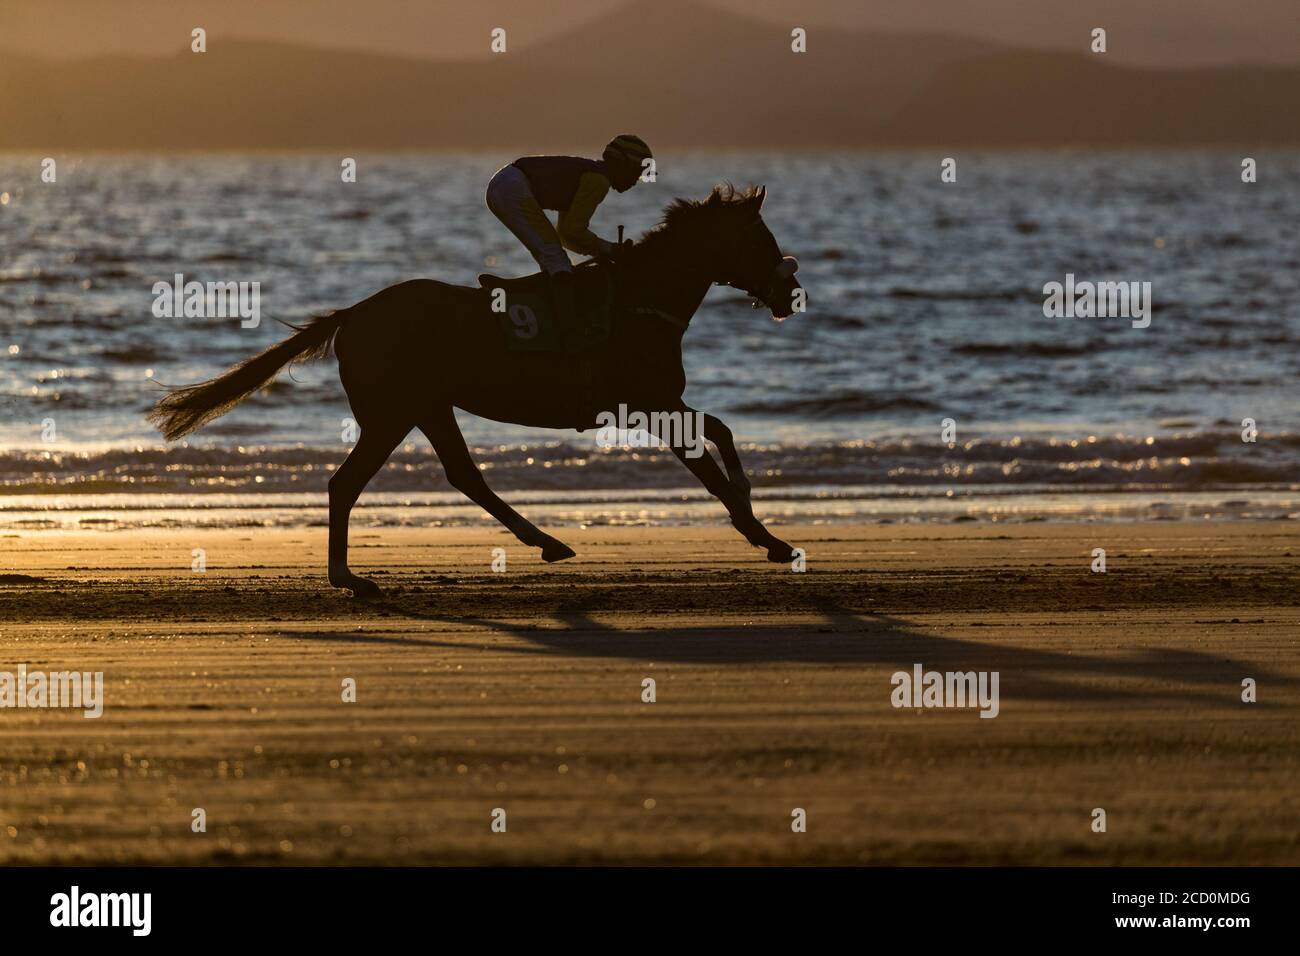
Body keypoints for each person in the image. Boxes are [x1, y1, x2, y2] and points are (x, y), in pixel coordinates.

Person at [484, 134, 652, 326]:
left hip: (505, 183)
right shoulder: (599, 181)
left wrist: (606, 250)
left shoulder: (594, 175)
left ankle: (550, 311)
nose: (635, 181)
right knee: (556, 260)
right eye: (636, 174)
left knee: (553, 258)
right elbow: (573, 232)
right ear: (623, 165)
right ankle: (568, 327)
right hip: (511, 187)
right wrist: (610, 249)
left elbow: (565, 234)